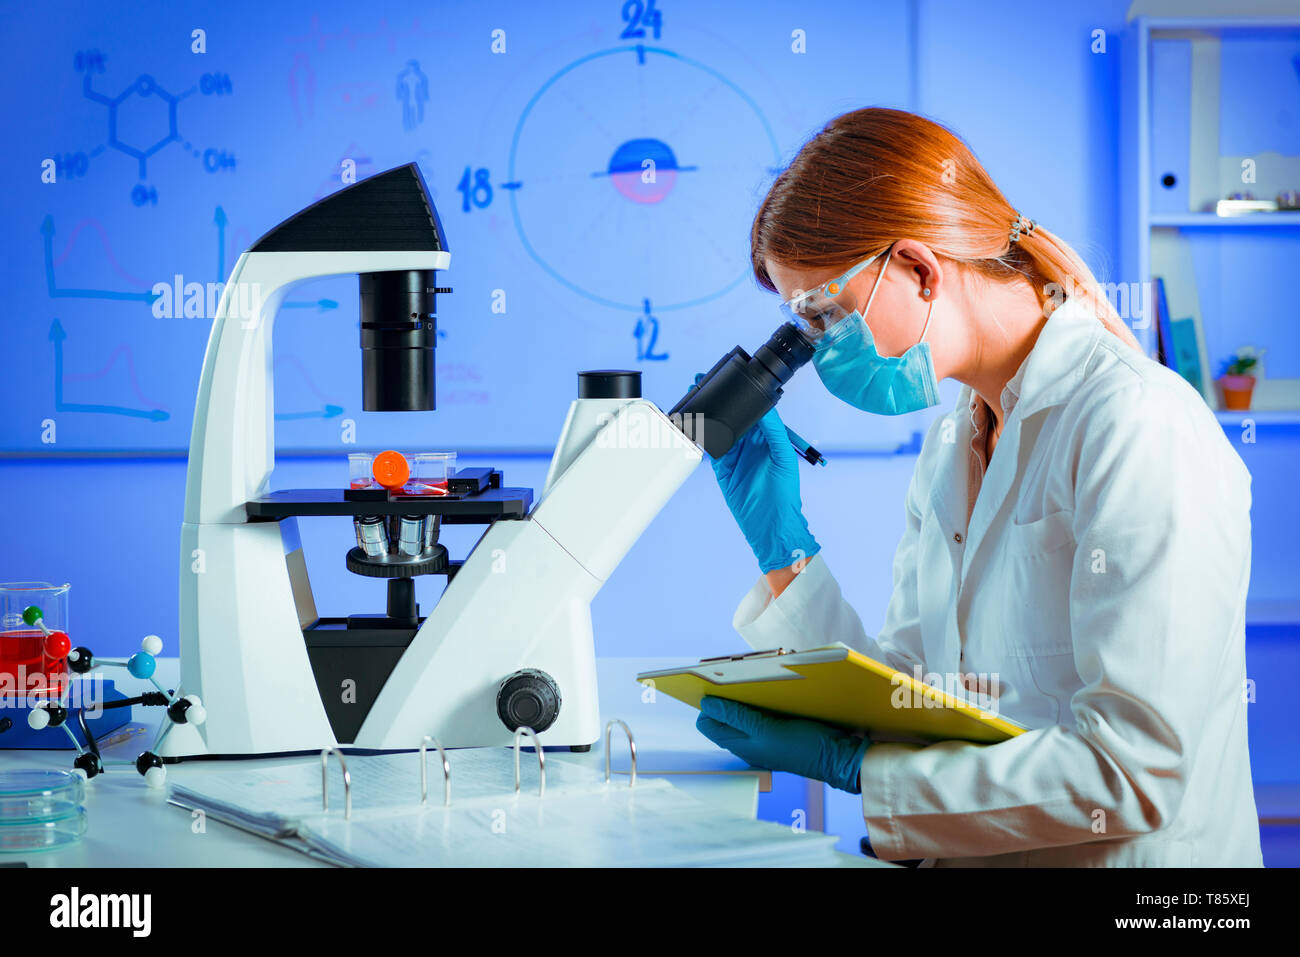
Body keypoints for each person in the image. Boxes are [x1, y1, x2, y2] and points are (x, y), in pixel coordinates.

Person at [694, 108, 1262, 867]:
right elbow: (909, 693)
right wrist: (783, 545)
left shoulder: (1138, 424)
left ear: (922, 268)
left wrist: (860, 769)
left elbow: (1134, 769)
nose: (820, 351)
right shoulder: (953, 443)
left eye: (826, 314)